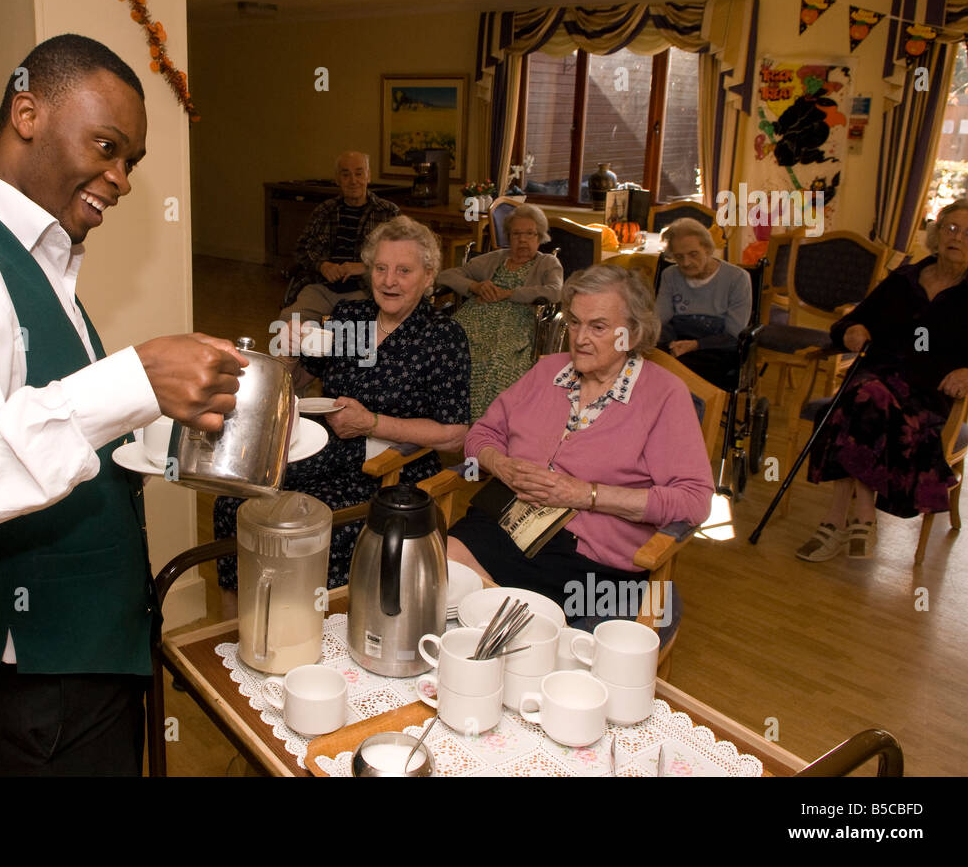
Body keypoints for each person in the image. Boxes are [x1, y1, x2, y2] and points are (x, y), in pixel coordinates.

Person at [0, 34, 246, 776]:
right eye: (107, 145)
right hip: (29, 688)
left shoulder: (43, 257)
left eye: (130, 160)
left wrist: (172, 423)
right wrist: (132, 379)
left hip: (83, 658)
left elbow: (32, 416)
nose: (121, 178)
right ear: (27, 112)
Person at [446, 265, 714, 627]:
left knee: (523, 644)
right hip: (504, 526)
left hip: (589, 561)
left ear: (632, 333)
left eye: (598, 327)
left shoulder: (664, 396)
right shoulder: (547, 372)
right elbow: (482, 434)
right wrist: (501, 465)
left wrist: (585, 494)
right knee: (431, 582)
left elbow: (694, 500)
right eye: (574, 322)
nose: (580, 338)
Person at [218, 216, 471, 592]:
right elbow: (302, 377)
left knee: (306, 526)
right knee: (233, 501)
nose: (389, 280)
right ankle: (245, 617)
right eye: (381, 268)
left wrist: (372, 423)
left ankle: (310, 623)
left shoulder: (442, 337)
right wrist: (288, 354)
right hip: (321, 448)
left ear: (428, 275)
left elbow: (454, 435)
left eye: (404, 270)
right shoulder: (351, 317)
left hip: (386, 467)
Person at [798, 197, 968, 562]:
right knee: (867, 396)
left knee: (860, 401)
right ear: (936, 234)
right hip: (877, 380)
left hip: (927, 395)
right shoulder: (903, 280)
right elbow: (847, 323)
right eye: (951, 228)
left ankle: (837, 520)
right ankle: (861, 519)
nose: (958, 237)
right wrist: (852, 331)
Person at [437, 203, 563, 418]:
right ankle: (442, 418)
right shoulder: (495, 258)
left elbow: (555, 292)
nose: (522, 240)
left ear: (540, 236)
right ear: (508, 236)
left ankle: (483, 428)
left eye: (529, 234)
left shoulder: (547, 263)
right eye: (516, 234)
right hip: (473, 319)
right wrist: (474, 286)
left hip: (515, 325)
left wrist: (510, 293)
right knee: (442, 348)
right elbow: (445, 276)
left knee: (496, 363)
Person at [279, 150, 401, 324]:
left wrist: (365, 267)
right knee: (287, 322)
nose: (353, 181)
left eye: (359, 173)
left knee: (349, 332)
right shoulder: (324, 210)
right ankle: (300, 351)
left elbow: (400, 258)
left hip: (365, 290)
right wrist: (322, 265)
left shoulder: (388, 213)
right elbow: (301, 249)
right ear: (337, 179)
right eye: (346, 175)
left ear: (368, 176)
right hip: (321, 287)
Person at [655, 218, 752, 390]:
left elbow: (734, 334)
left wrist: (694, 345)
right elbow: (659, 318)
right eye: (679, 257)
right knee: (645, 364)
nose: (685, 263)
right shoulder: (670, 275)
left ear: (707, 249)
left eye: (693, 254)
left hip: (717, 349)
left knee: (680, 374)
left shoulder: (737, 279)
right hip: (676, 343)